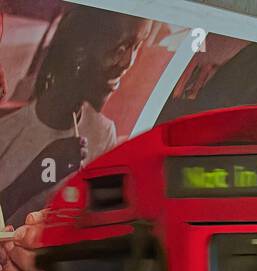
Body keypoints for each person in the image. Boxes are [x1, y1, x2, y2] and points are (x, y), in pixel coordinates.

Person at [0, 8, 149, 225]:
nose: (128, 62)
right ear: (79, 53)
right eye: (121, 47)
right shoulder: (8, 129)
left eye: (136, 47)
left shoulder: (103, 132)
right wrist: (35, 177)